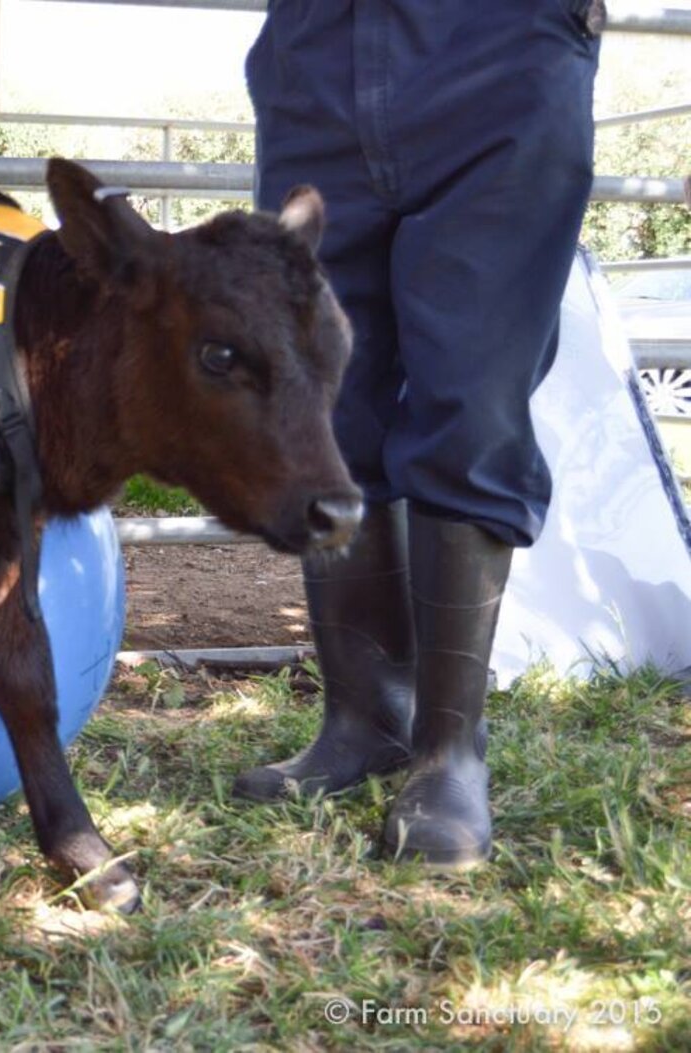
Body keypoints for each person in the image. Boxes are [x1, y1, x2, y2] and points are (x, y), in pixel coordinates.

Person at [233, 0, 605, 867]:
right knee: (322, 400)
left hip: (501, 49)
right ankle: (364, 719)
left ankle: (448, 752)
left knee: (473, 402)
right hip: (319, 52)